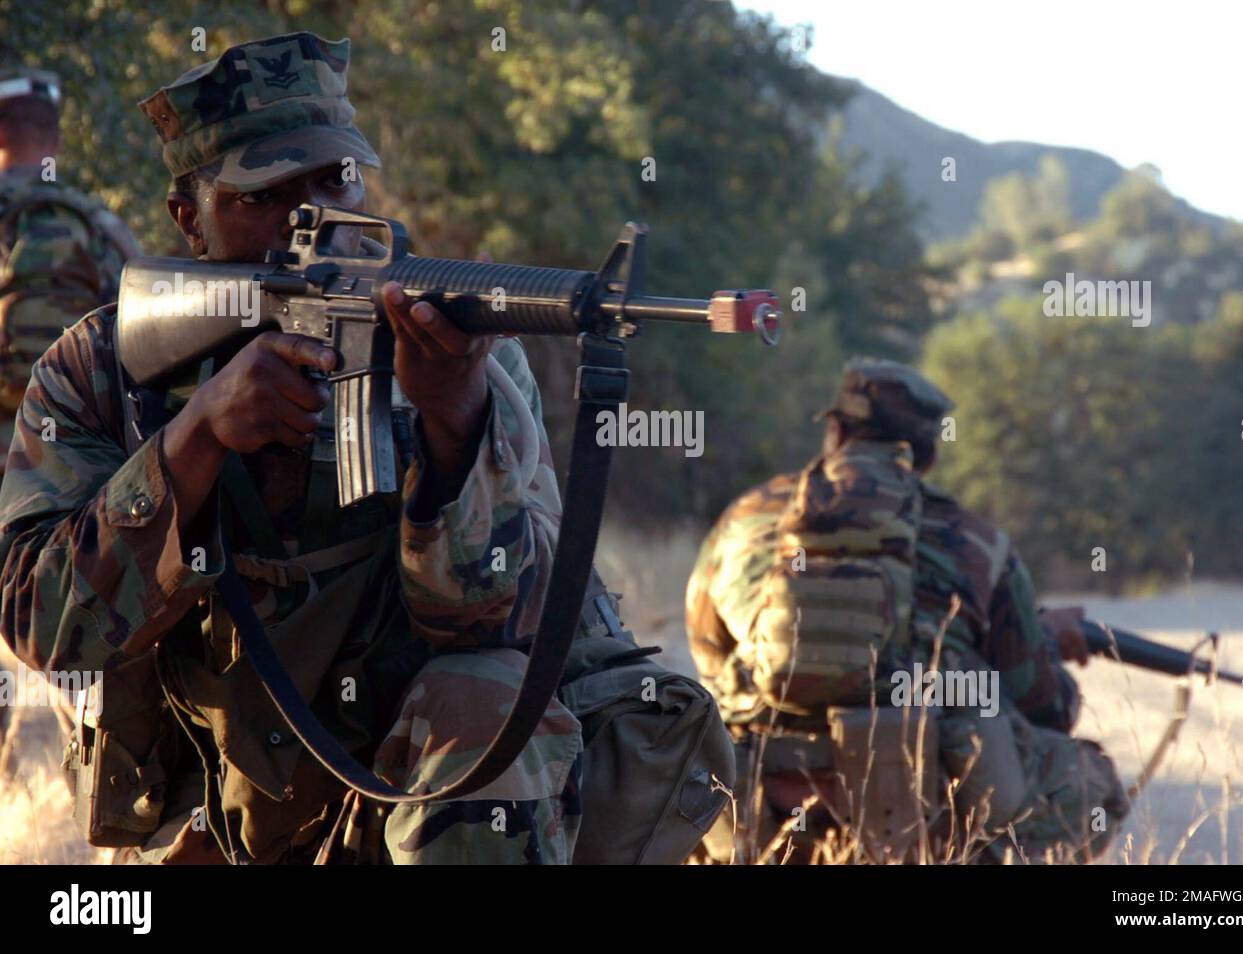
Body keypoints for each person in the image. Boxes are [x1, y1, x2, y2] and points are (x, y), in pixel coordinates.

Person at [0, 33, 599, 865]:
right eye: (269, 193)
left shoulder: (459, 349)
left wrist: (454, 426)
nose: (313, 219)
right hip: (198, 822)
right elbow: (44, 629)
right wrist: (193, 440)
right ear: (189, 220)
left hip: (397, 803)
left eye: (334, 179)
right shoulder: (101, 370)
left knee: (492, 700)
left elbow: (511, 620)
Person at [686, 357, 1128, 863]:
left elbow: (711, 661)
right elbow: (1045, 707)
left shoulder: (743, 521)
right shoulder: (977, 540)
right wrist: (1046, 642)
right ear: (928, 455)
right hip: (926, 816)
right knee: (1095, 783)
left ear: (834, 430)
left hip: (762, 809)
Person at [0, 66, 139, 756]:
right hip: (74, 462)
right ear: (54, 140)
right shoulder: (98, 224)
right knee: (70, 628)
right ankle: (91, 773)